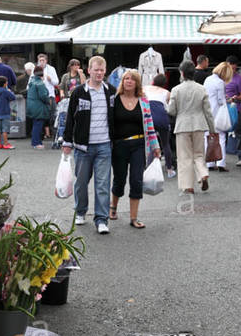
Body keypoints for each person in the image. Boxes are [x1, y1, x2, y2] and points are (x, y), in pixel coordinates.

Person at [63, 55, 115, 234]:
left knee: (102, 184)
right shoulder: (79, 92)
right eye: (96, 70)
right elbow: (70, 118)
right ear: (89, 71)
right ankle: (80, 211)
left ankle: (101, 219)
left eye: (102, 70)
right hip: (82, 147)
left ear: (105, 71)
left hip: (104, 146)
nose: (99, 73)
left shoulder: (111, 91)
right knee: (81, 183)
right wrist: (67, 141)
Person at [108, 69, 161, 230]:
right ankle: (113, 207)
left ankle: (133, 217)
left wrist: (155, 146)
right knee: (120, 179)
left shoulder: (143, 101)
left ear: (137, 83)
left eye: (132, 79)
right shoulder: (114, 100)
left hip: (139, 145)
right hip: (119, 145)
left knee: (136, 180)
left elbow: (150, 125)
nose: (128, 81)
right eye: (126, 79)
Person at [167, 61, 215, 195]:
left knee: (184, 157)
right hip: (199, 124)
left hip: (182, 125)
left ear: (182, 73)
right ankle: (203, 174)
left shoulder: (176, 89)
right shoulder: (201, 88)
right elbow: (208, 111)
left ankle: (188, 186)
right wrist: (212, 129)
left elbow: (172, 110)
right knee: (199, 154)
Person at [204, 61, 233, 171]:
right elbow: (221, 100)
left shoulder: (208, 79)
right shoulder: (220, 82)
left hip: (207, 111)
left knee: (208, 136)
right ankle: (221, 162)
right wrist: (228, 99)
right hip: (218, 112)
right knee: (221, 137)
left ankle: (209, 163)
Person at [148, 74, 175, 174]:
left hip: (149, 117)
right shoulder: (167, 92)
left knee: (151, 144)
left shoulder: (145, 88)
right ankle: (169, 169)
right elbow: (168, 106)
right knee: (166, 144)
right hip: (162, 118)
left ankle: (149, 168)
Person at [25, 62, 52, 148]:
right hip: (39, 107)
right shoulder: (40, 83)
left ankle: (36, 142)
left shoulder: (32, 81)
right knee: (38, 125)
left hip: (32, 106)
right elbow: (43, 96)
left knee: (35, 124)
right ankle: (36, 143)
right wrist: (48, 101)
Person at [0, 75, 15, 149]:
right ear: (4, 84)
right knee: (5, 129)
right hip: (5, 112)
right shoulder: (5, 91)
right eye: (6, 82)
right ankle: (6, 143)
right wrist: (10, 91)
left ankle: (0, 144)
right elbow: (13, 97)